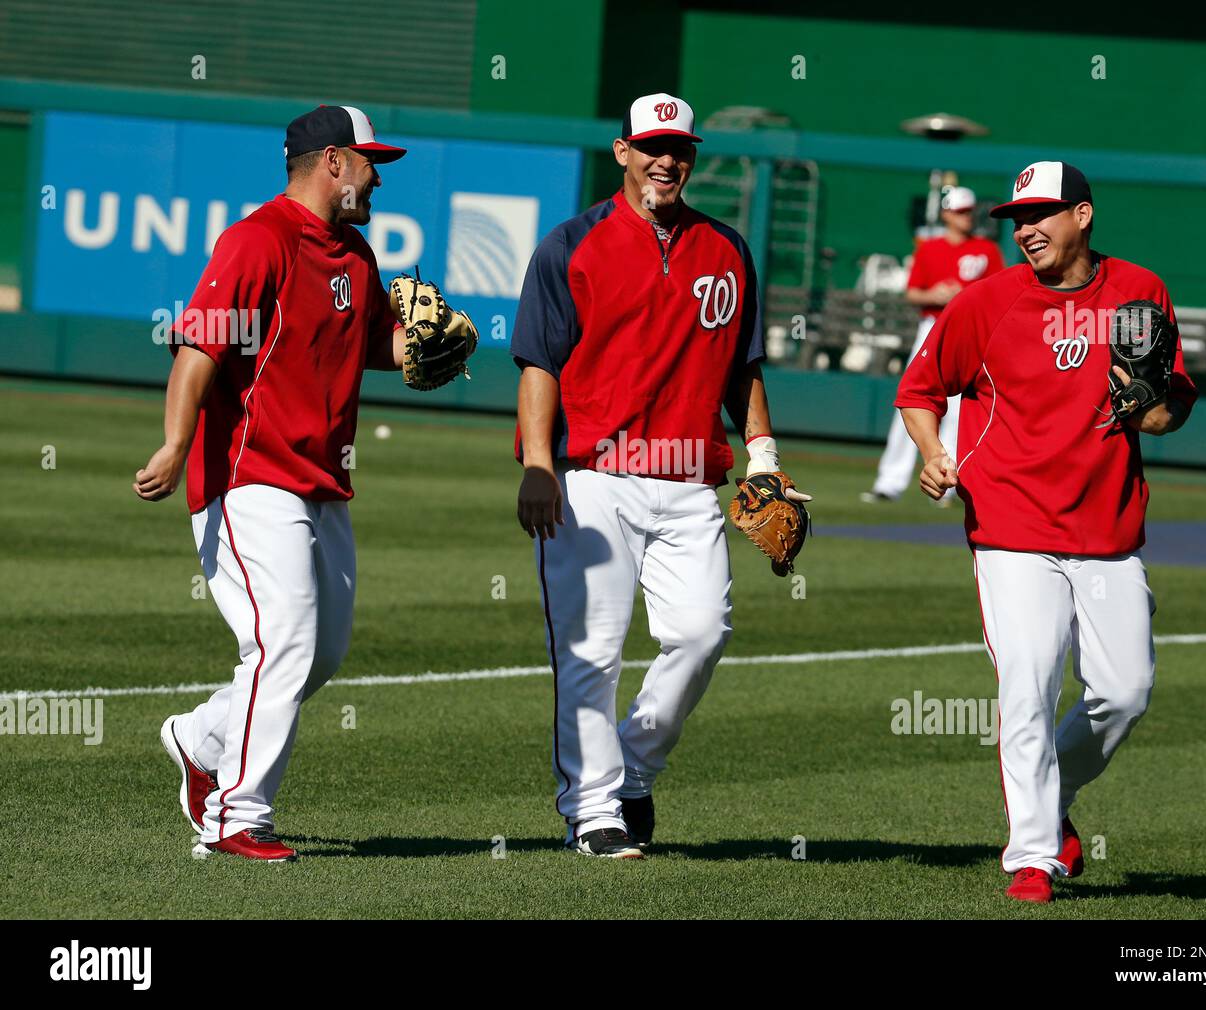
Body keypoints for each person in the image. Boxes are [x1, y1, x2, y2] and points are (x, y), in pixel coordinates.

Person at [512, 93, 811, 858]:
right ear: (622, 153)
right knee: (592, 650)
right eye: (651, 146)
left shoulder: (726, 248)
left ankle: (634, 771)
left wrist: (765, 456)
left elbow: (742, 369)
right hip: (592, 479)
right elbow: (539, 362)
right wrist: (540, 465)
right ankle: (592, 809)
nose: (666, 160)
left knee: (701, 633)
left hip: (687, 483)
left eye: (679, 148)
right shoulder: (570, 245)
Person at [135, 105, 437, 862]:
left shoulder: (356, 255)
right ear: (333, 161)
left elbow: (370, 343)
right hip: (249, 475)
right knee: (287, 640)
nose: (378, 176)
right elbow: (199, 349)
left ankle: (204, 741)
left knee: (318, 653)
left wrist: (419, 349)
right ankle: (236, 817)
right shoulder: (257, 240)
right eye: (371, 162)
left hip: (322, 482)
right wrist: (175, 445)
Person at [895, 161, 1197, 902]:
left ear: (1084, 216)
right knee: (1028, 681)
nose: (1026, 229)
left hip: (1107, 527)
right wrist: (935, 454)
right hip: (1009, 522)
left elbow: (1170, 405)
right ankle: (1034, 854)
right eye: (1017, 218)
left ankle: (1052, 798)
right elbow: (919, 389)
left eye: (1042, 214)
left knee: (1125, 693)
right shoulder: (986, 302)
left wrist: (1151, 407)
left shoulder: (1140, 291)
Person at [863, 186, 1003, 505]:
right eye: (959, 211)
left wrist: (965, 298)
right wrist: (935, 294)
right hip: (931, 326)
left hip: (971, 332)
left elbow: (998, 294)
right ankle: (890, 482)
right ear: (945, 214)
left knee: (958, 410)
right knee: (912, 402)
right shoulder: (930, 248)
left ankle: (951, 485)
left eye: (968, 211)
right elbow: (913, 293)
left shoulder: (986, 250)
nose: (965, 217)